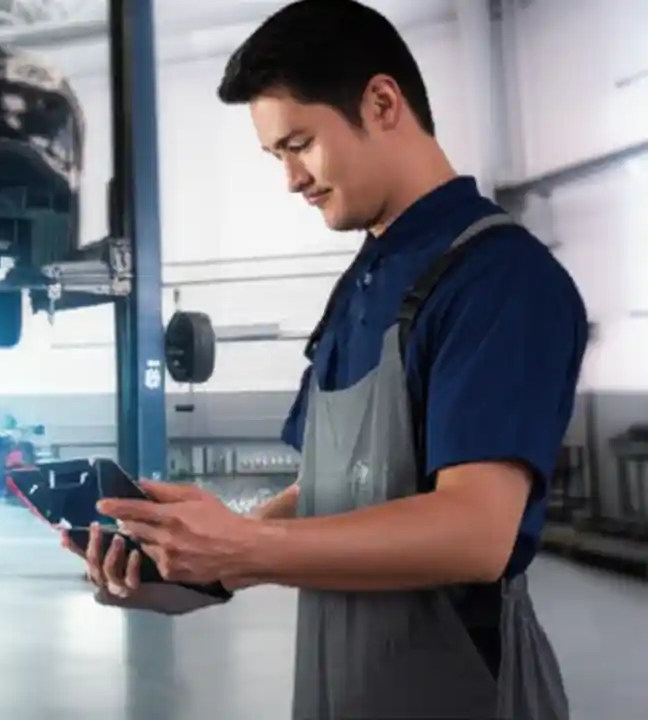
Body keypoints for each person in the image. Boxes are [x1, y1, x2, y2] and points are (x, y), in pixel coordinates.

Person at [62, 1, 587, 717]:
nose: (291, 179)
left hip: (463, 691)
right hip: (343, 685)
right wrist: (192, 563)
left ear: (381, 102)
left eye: (299, 143)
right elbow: (328, 492)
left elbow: (476, 531)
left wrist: (247, 549)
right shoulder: (363, 284)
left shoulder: (499, 279)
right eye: (276, 155)